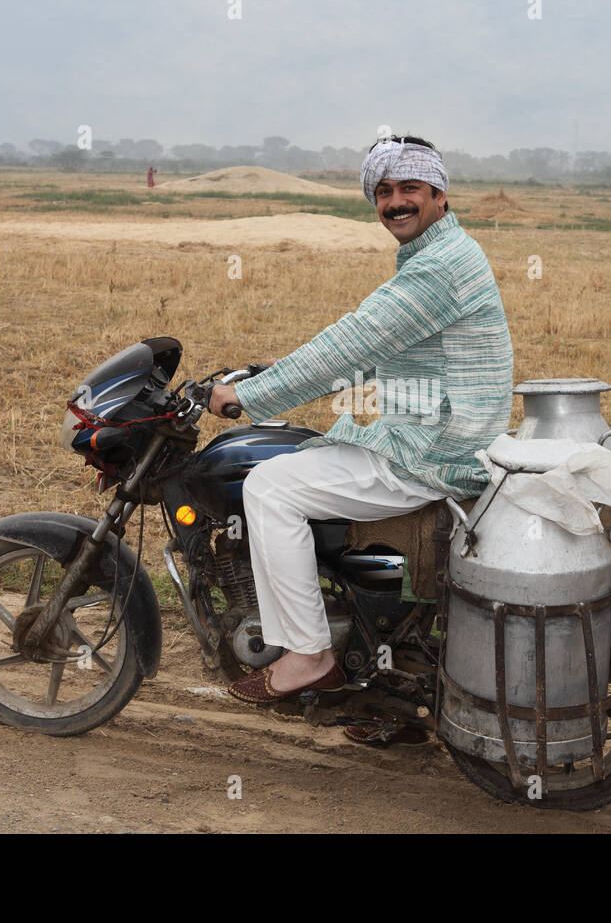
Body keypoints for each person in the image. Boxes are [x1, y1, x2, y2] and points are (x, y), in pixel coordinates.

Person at [208, 135, 514, 718]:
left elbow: (351, 342)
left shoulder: (439, 269)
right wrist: (284, 374)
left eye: (409, 190)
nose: (396, 202)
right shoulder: (439, 254)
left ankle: (307, 655)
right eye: (384, 192)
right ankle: (380, 697)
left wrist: (247, 396)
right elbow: (376, 350)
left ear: (439, 195)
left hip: (435, 450)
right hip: (443, 435)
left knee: (269, 486)